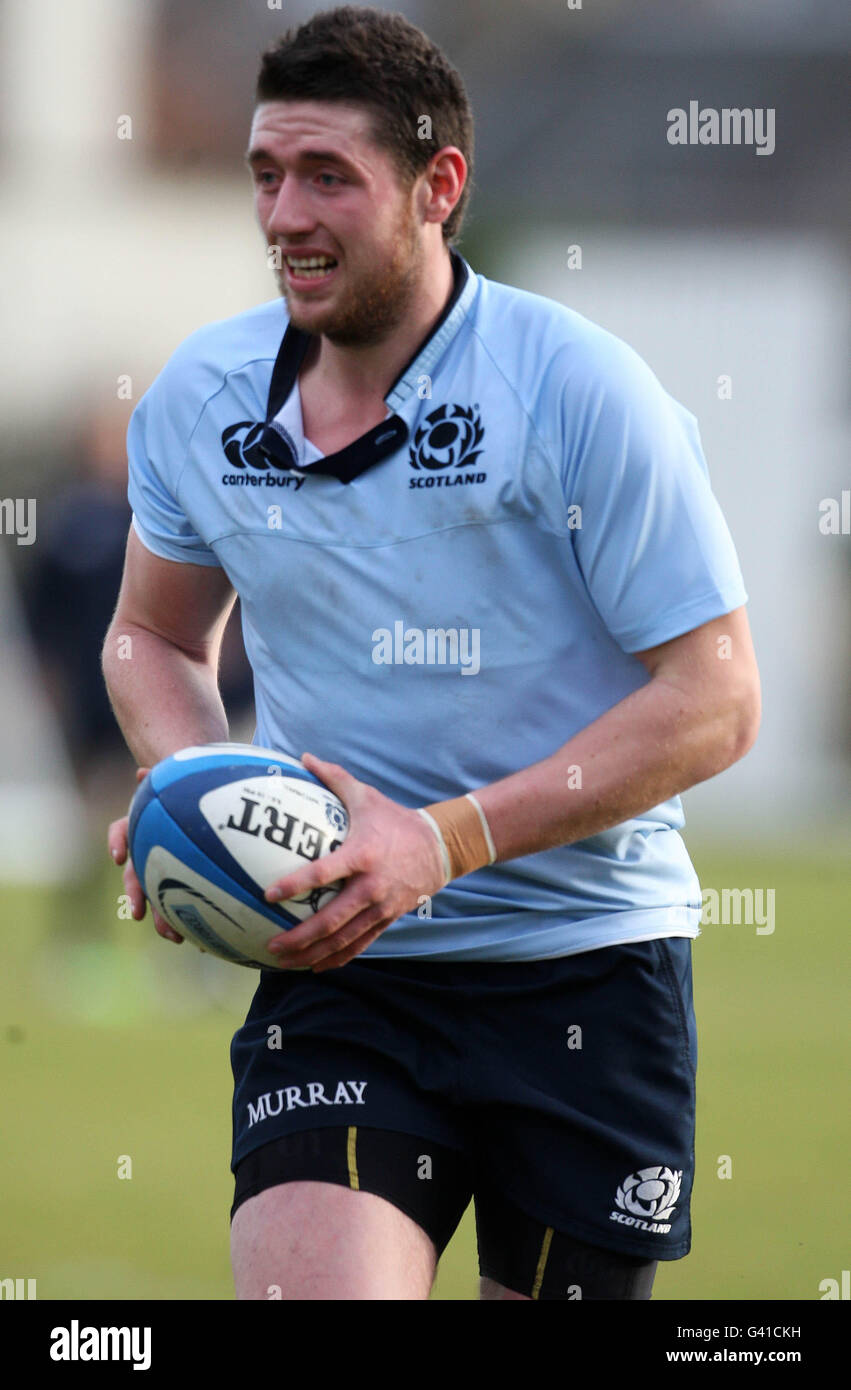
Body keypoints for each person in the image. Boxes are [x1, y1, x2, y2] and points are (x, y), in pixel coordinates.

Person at [103, 6, 761, 1301]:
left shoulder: (580, 392)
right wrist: (195, 790)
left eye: (329, 177)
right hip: (348, 972)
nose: (285, 213)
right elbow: (150, 634)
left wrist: (442, 840)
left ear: (437, 187)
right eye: (265, 174)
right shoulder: (201, 399)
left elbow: (717, 699)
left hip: (591, 967)